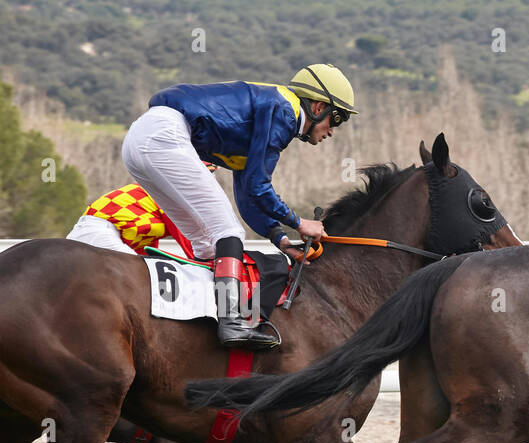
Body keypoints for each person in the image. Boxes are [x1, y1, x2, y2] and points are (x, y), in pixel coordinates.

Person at [120, 64, 358, 349]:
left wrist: (279, 239)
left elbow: (248, 195)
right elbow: (259, 187)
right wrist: (298, 222)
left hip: (141, 141)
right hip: (164, 137)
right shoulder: (285, 111)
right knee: (227, 230)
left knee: (207, 243)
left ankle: (195, 318)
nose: (332, 130)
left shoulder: (270, 113)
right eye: (337, 118)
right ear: (318, 106)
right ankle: (231, 323)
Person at [67, 166, 216, 258]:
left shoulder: (157, 190)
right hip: (99, 235)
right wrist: (211, 264)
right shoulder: (169, 192)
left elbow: (146, 248)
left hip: (85, 233)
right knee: (144, 281)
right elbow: (189, 238)